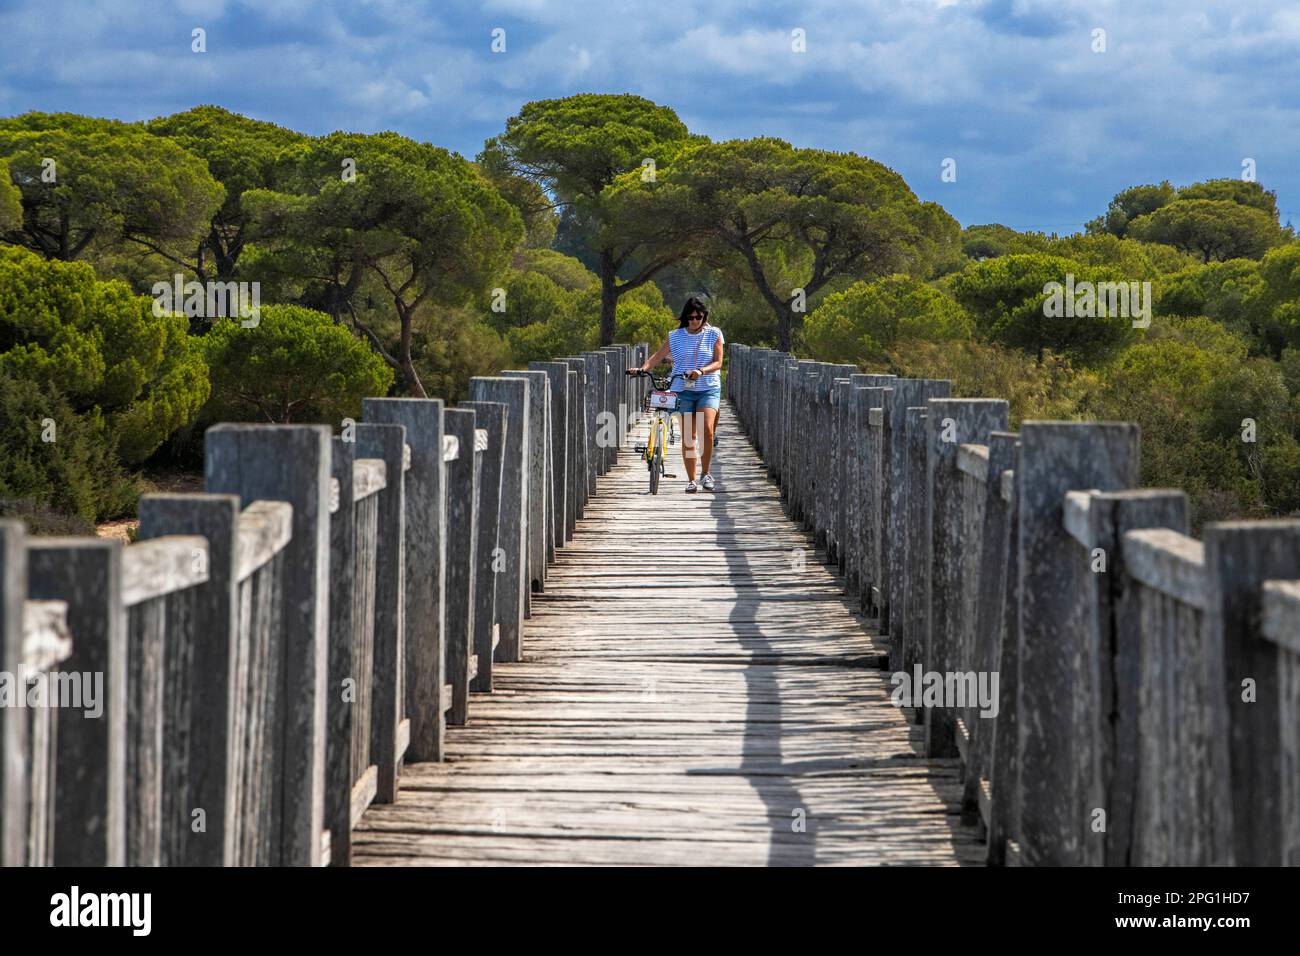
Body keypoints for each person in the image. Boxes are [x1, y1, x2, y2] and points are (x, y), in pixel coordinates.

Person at [628, 296, 724, 492]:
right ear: (685, 318)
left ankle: (706, 474)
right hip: (683, 389)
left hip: (708, 387)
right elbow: (658, 356)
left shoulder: (714, 334)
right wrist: (642, 369)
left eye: (699, 316)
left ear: (704, 316)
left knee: (707, 429)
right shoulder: (675, 336)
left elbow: (718, 362)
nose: (695, 320)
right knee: (689, 436)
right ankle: (691, 479)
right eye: (690, 317)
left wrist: (701, 371)